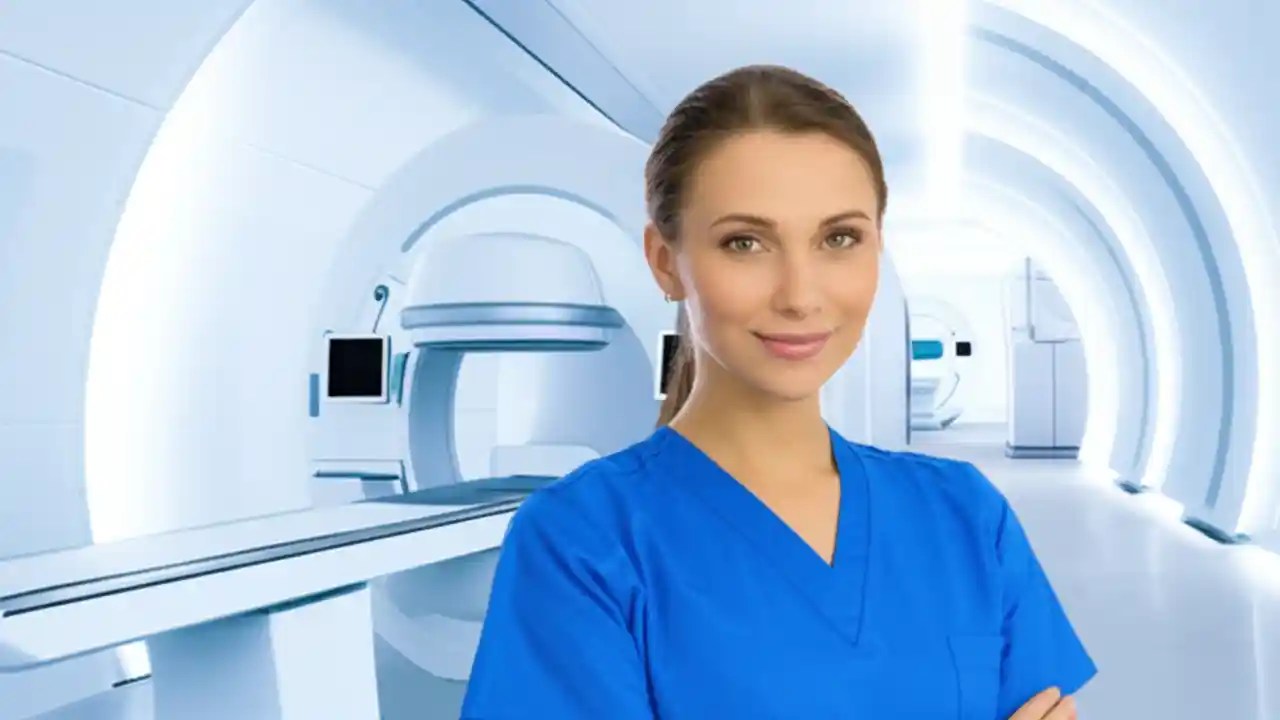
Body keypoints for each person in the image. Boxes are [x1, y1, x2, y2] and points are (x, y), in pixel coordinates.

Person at [460, 64, 1096, 720]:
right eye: (746, 243)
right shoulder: (583, 543)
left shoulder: (965, 516)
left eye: (839, 239)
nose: (800, 295)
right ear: (665, 263)